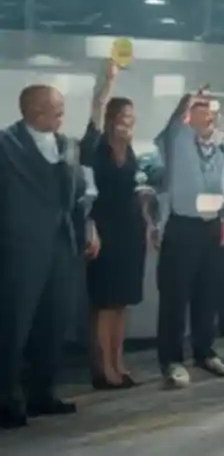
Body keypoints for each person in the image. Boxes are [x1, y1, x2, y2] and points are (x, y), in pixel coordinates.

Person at [0, 84, 95, 428]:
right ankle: (7, 400)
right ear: (33, 111)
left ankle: (42, 392)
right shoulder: (5, 144)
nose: (60, 116)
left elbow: (80, 194)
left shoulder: (68, 145)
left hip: (62, 247)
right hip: (17, 251)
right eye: (55, 110)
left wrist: (88, 227)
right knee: (12, 327)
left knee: (53, 323)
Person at [155, 88, 224, 388]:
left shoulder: (219, 146)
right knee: (175, 297)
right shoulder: (177, 140)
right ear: (191, 115)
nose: (210, 117)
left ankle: (205, 351)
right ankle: (171, 360)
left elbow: (223, 189)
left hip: (211, 227)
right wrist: (189, 99)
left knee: (209, 294)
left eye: (213, 112)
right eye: (203, 111)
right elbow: (175, 123)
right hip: (182, 227)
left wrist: (223, 223)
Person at [82, 61, 151, 389]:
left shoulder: (131, 150)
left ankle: (118, 363)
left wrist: (149, 221)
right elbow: (96, 105)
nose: (128, 124)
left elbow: (135, 190)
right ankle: (102, 369)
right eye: (123, 118)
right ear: (112, 119)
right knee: (104, 303)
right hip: (104, 230)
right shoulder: (96, 145)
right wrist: (108, 80)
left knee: (122, 303)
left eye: (132, 119)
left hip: (130, 230)